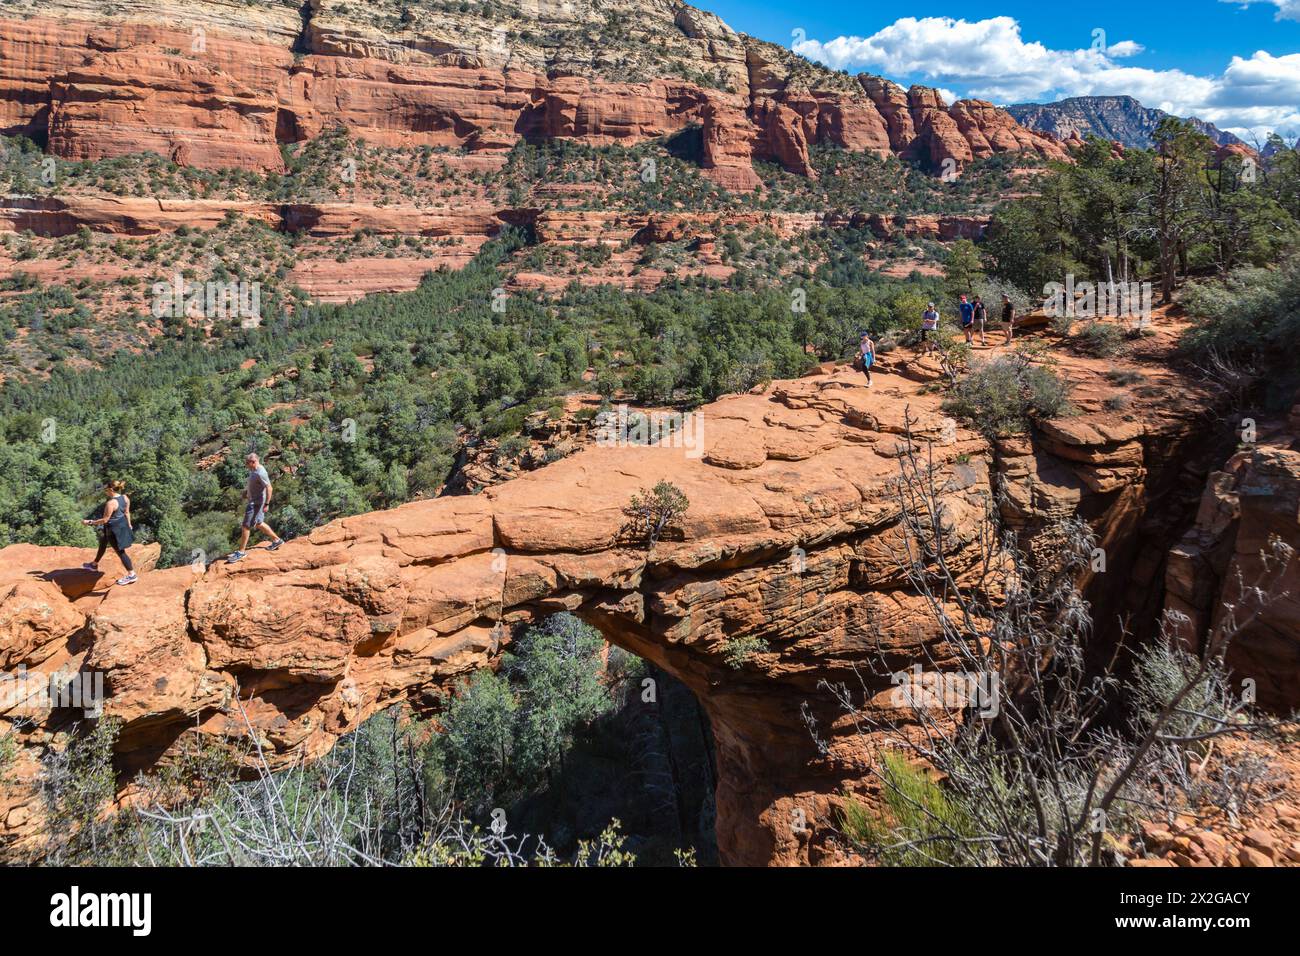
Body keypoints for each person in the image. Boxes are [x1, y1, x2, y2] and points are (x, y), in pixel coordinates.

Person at [228, 452, 284, 563]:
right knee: (258, 523)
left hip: (256, 503)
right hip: (254, 500)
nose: (246, 465)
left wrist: (267, 504)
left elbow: (269, 488)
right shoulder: (254, 470)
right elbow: (253, 484)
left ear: (253, 462)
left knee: (245, 526)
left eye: (247, 463)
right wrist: (247, 492)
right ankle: (277, 540)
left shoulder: (260, 472)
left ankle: (241, 552)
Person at [81, 480, 136, 586]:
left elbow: (105, 519)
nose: (105, 492)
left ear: (111, 490)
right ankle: (94, 564)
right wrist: (129, 525)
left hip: (113, 529)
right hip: (120, 525)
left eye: (106, 490)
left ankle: (131, 574)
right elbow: (127, 512)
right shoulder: (125, 498)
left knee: (121, 552)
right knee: (103, 542)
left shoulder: (111, 503)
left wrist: (90, 522)